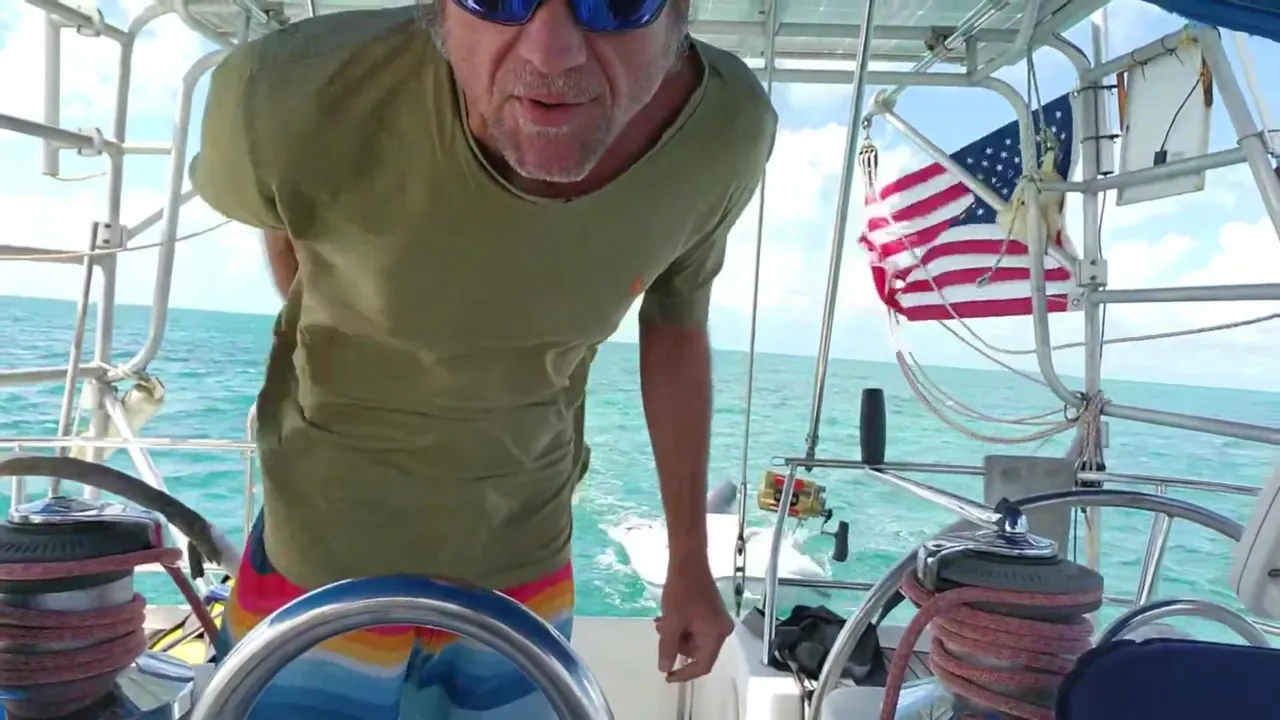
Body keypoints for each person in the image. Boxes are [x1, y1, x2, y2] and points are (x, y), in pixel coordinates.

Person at [190, 0, 776, 714]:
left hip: (526, 556)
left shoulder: (723, 133)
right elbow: (290, 232)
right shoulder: (287, 92)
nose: (553, 52)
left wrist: (690, 560)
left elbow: (677, 321)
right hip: (315, 554)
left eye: (615, 0)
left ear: (679, 13)